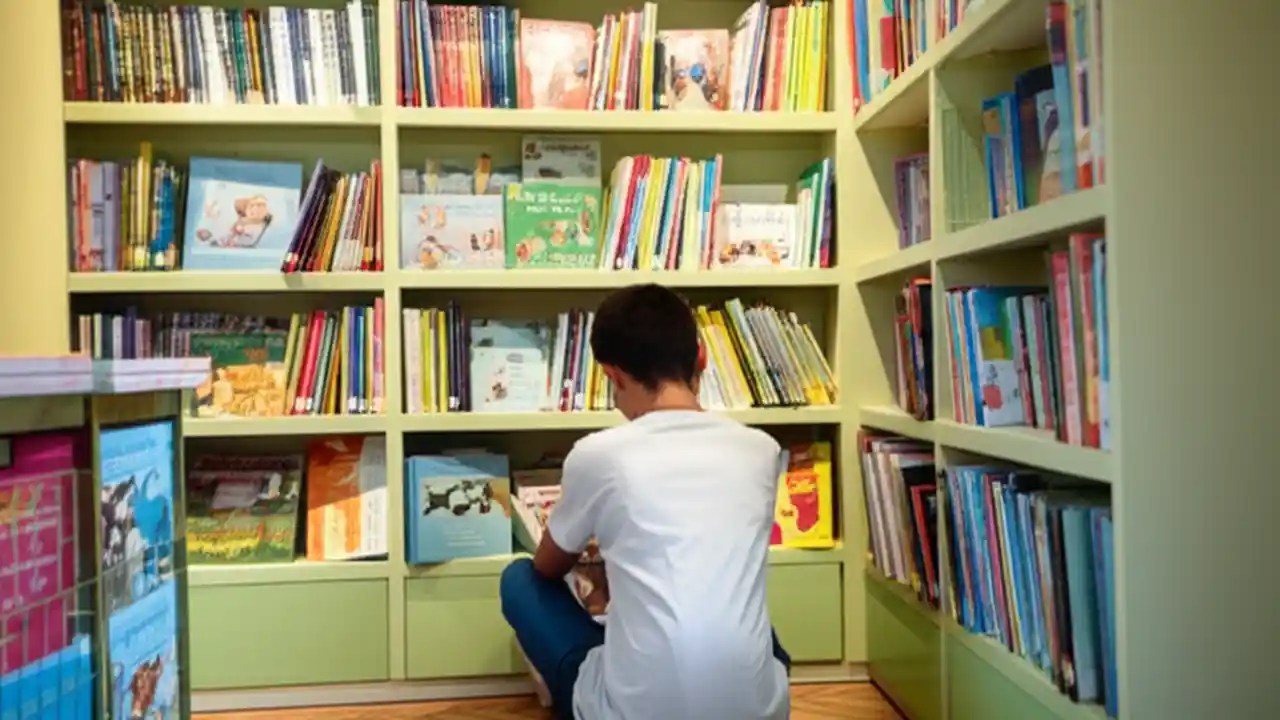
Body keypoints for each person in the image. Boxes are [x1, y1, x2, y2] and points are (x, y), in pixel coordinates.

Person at [500, 284, 791, 720]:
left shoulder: (599, 454)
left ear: (613, 376)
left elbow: (548, 567)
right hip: (758, 711)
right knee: (733, 606)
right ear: (702, 358)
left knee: (519, 579)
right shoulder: (762, 450)